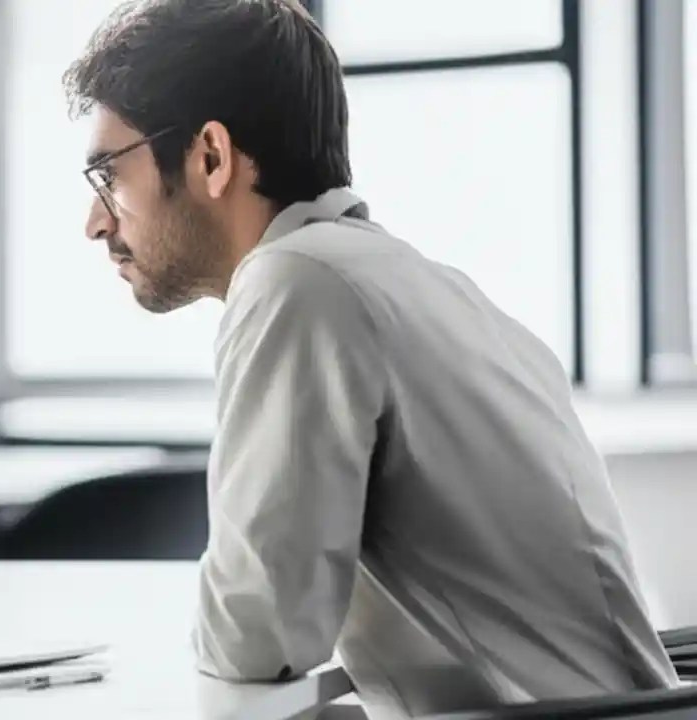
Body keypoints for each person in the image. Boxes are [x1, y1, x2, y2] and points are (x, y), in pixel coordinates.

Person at [63, 1, 678, 717]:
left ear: (211, 157)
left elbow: (258, 635)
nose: (96, 220)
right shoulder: (417, 283)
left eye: (108, 174)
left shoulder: (298, 283)